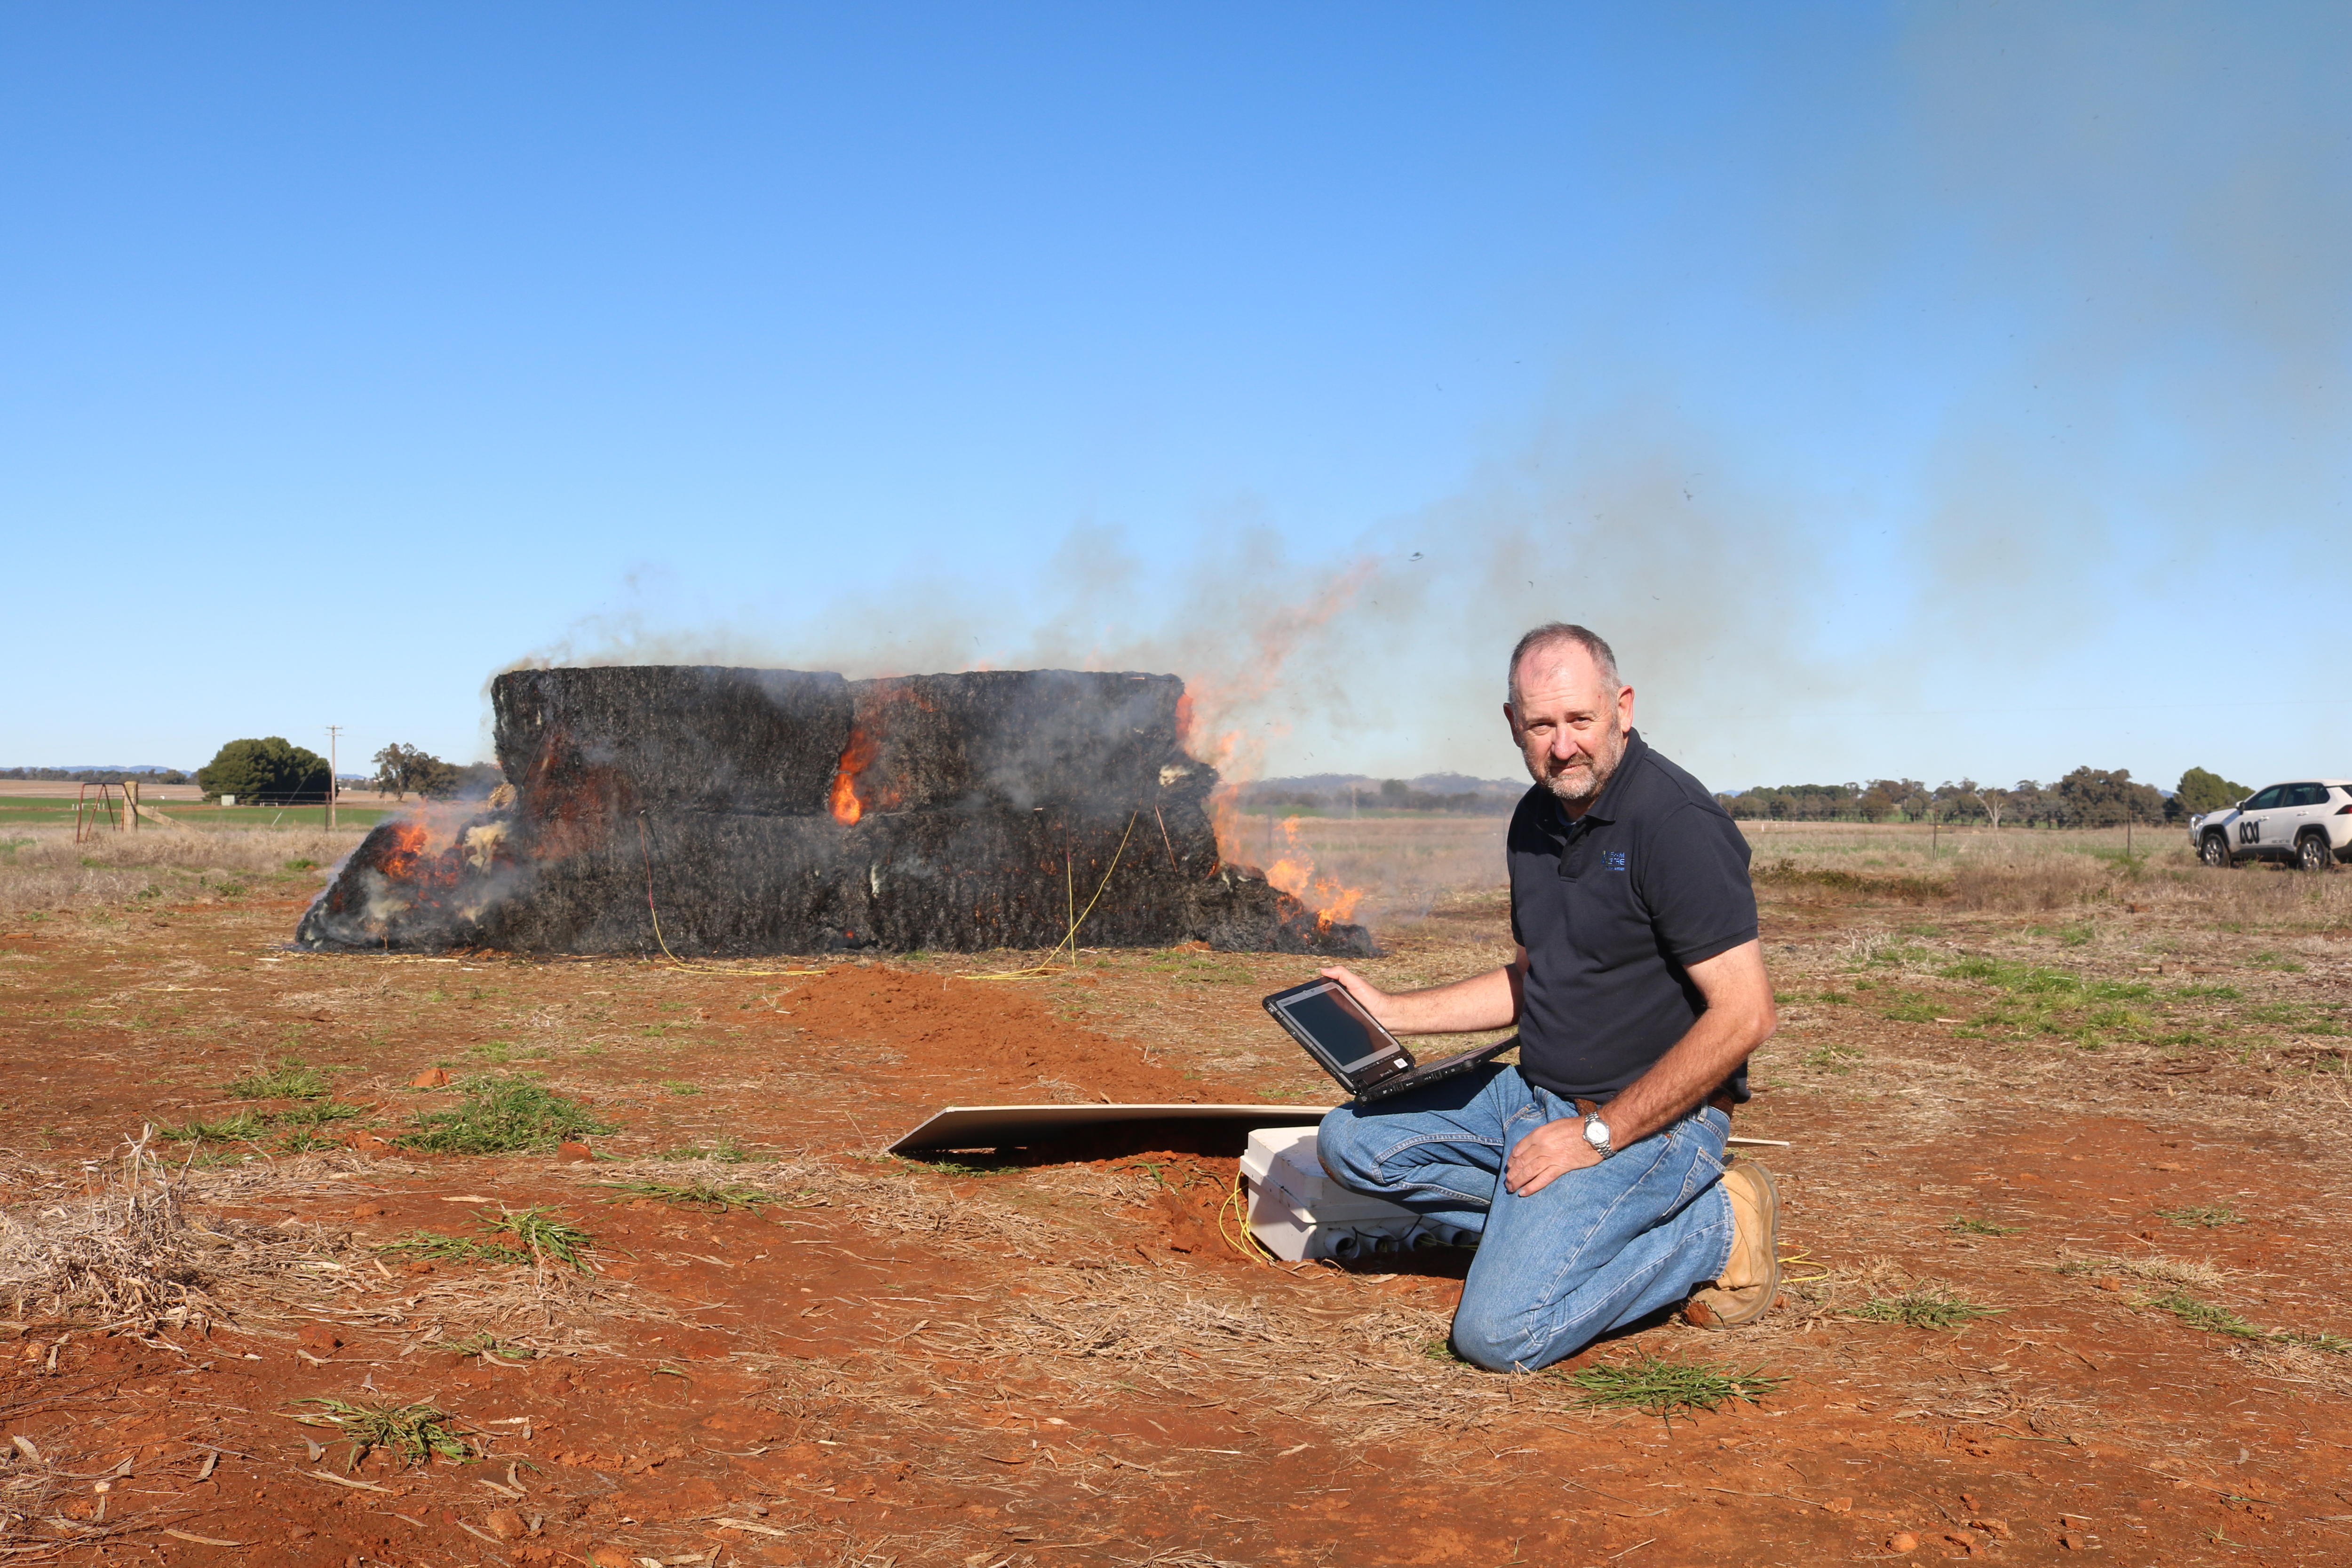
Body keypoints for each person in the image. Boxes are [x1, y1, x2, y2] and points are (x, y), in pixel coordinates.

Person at [1314, 622, 1780, 1372]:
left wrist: (1598, 1136)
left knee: (1500, 1334)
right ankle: (1545, 1232)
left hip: (1655, 1123)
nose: (1563, 745)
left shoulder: (1676, 824)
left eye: (1580, 720)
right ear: (1512, 726)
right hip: (1537, 1097)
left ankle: (1714, 1227)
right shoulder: (1533, 818)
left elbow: (1747, 1013)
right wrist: (1391, 1008)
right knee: (1350, 1141)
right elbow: (1534, 979)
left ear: (1622, 707)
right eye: (1541, 725)